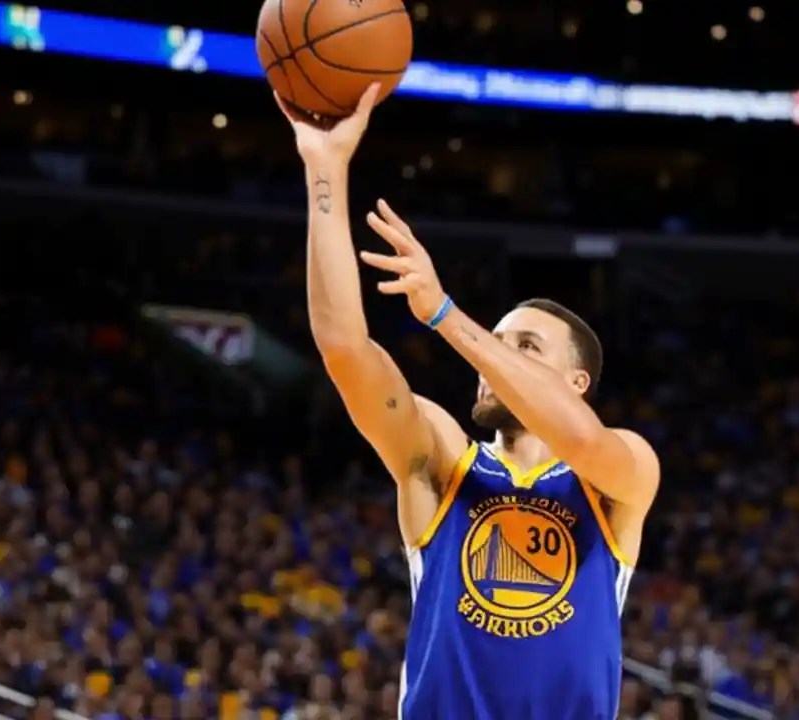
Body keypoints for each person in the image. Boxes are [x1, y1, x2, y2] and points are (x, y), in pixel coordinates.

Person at [275, 85, 661, 719]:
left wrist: (449, 317)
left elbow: (585, 442)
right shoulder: (445, 457)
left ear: (577, 383)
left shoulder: (623, 473)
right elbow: (344, 349)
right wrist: (325, 167)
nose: (493, 359)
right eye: (495, 342)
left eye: (525, 347)